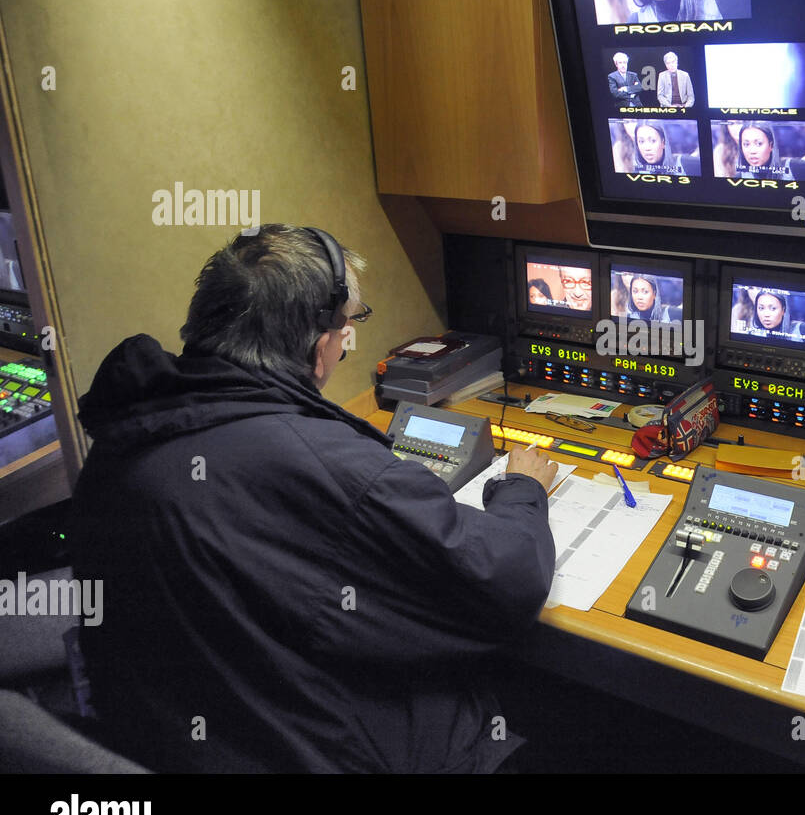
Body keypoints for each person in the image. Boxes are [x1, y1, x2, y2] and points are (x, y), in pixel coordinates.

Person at [69, 225, 558, 773]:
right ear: (318, 339)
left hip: (187, 740)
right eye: (348, 324)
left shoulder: (127, 431)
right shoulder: (325, 467)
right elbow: (507, 583)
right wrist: (523, 489)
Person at [736, 287, 805, 342]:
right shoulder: (753, 333)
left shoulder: (803, 330)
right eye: (761, 308)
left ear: (783, 310)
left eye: (773, 308)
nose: (766, 314)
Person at [632, 121, 699, 176]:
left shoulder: (684, 163)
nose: (647, 148)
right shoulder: (637, 172)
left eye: (653, 141)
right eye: (641, 141)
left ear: (663, 142)